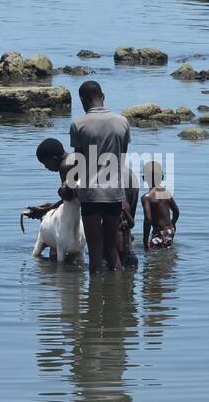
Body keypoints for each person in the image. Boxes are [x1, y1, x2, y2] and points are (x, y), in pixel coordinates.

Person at [25, 138, 139, 268]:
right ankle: (127, 262)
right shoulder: (73, 158)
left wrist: (47, 210)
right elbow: (73, 195)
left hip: (110, 182)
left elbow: (69, 199)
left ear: (55, 158)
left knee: (102, 248)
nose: (46, 168)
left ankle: (109, 277)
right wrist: (51, 207)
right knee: (124, 226)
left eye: (46, 164)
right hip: (127, 177)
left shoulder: (65, 166)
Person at [69, 81, 132, 273]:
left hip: (91, 195)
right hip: (114, 193)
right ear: (102, 96)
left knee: (95, 253)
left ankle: (94, 300)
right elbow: (121, 159)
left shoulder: (78, 125)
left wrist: (70, 187)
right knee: (111, 251)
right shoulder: (122, 122)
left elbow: (79, 163)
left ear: (82, 100)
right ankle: (117, 298)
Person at [141, 159, 179, 250]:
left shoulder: (147, 197)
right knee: (167, 256)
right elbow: (176, 212)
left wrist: (145, 241)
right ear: (162, 177)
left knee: (153, 260)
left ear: (144, 178)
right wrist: (172, 224)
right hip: (170, 232)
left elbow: (148, 220)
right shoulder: (166, 193)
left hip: (158, 234)